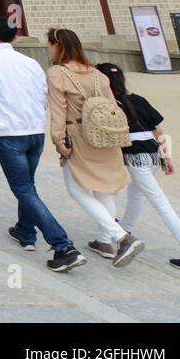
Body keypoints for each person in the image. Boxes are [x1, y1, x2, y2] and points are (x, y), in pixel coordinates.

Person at [0, 16, 85, 273]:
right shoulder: (31, 63)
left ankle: (63, 246)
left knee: (23, 189)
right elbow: (43, 95)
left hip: (9, 134)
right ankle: (25, 231)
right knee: (28, 184)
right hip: (34, 131)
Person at [95, 63, 180, 273]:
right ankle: (125, 228)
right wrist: (166, 155)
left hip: (136, 158)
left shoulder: (111, 103)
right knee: (136, 193)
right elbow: (158, 129)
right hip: (154, 154)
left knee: (161, 204)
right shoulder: (138, 98)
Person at [46, 28, 138, 267]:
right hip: (106, 135)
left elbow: (58, 111)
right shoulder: (99, 75)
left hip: (78, 135)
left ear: (57, 45)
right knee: (104, 189)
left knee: (76, 189)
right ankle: (104, 241)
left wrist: (58, 139)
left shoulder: (57, 73)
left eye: (50, 44)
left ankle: (120, 236)